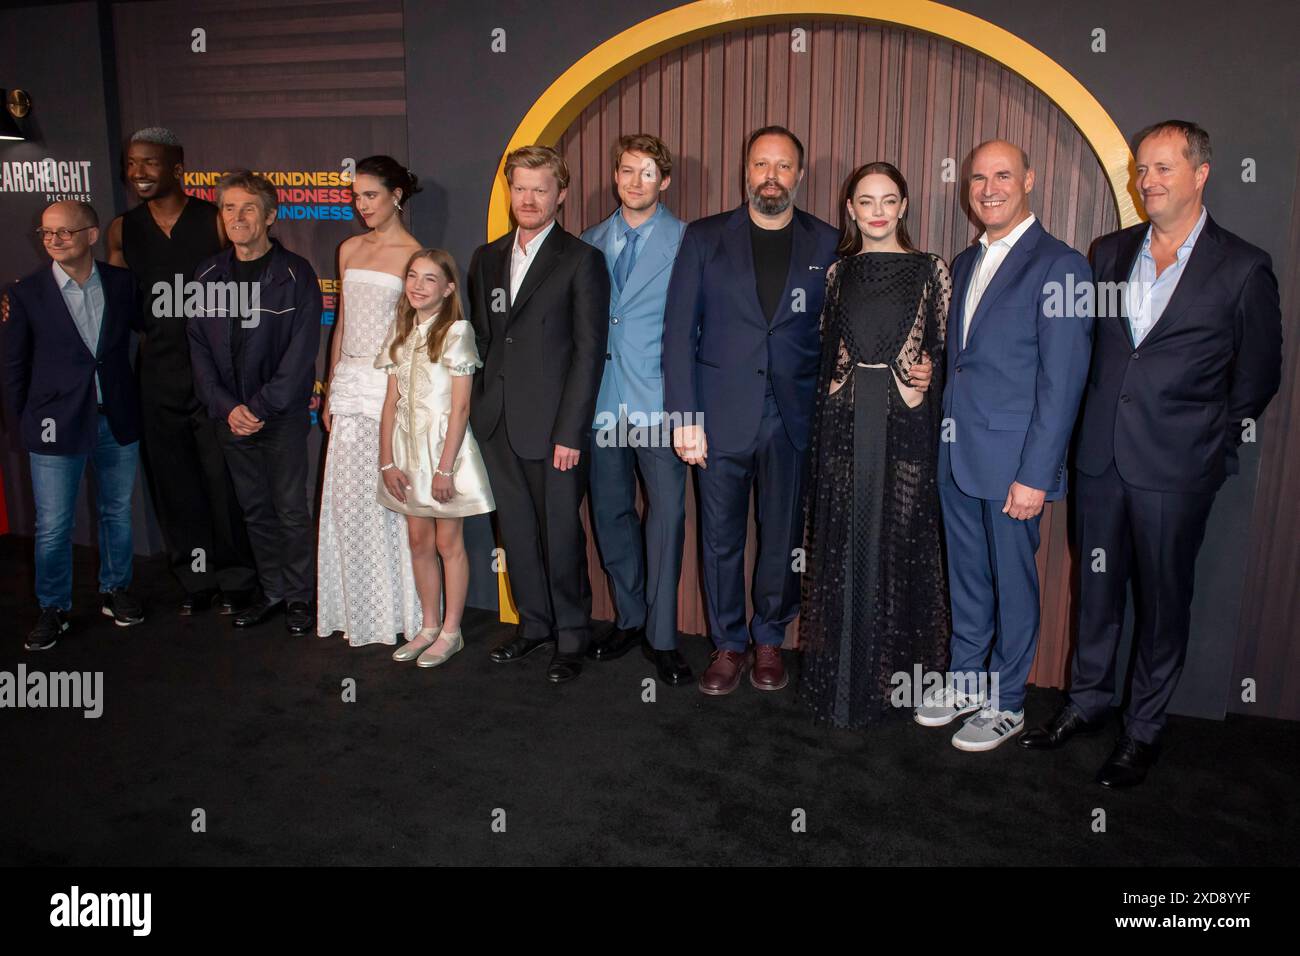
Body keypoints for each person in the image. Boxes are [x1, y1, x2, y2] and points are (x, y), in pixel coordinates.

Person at [1021, 121, 1283, 787]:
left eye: (1164, 168)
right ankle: (1087, 702)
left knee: (1163, 605)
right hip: (1102, 459)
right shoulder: (1108, 251)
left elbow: (1257, 376)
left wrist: (1211, 447)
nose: (1149, 181)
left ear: (1200, 175)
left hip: (1177, 469)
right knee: (1096, 590)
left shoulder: (1244, 266)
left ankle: (1143, 729)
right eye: (1142, 169)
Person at [913, 140, 1093, 750]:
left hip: (1015, 465)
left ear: (1030, 180)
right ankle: (965, 681)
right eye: (978, 178)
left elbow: (1062, 382)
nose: (988, 189)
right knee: (967, 576)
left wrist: (1037, 473)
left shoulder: (1059, 265)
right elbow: (964, 363)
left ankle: (1008, 701)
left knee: (1013, 583)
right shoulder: (964, 263)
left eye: (1003, 176)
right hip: (956, 454)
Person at [661, 126, 840, 696]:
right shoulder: (705, 236)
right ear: (746, 171)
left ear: (800, 176)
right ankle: (729, 643)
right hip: (718, 418)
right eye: (762, 164)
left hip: (793, 419)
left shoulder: (828, 242)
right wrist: (684, 419)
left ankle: (769, 639)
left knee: (783, 535)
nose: (771, 176)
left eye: (783, 166)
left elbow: (842, 334)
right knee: (720, 538)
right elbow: (676, 333)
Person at [799, 162, 951, 728]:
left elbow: (941, 349)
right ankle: (844, 683)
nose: (879, 211)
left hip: (904, 420)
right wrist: (841, 382)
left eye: (889, 200)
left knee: (897, 543)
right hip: (844, 420)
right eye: (867, 201)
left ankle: (892, 683)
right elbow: (828, 346)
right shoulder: (839, 273)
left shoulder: (930, 269)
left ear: (905, 206)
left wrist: (927, 374)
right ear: (851, 209)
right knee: (844, 543)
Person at [466, 145, 609, 684]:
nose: (528, 199)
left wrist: (571, 430)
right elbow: (482, 339)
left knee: (560, 535)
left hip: (555, 432)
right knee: (517, 534)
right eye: (519, 188)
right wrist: (480, 411)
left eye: (540, 189)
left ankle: (572, 635)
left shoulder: (581, 260)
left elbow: (589, 351)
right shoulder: (486, 258)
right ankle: (533, 626)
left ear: (561, 194)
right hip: (498, 425)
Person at [106, 127, 256, 616]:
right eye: (132, 163)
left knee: (223, 482)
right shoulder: (121, 230)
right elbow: (110, 297)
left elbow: (248, 289)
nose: (138, 173)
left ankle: (236, 580)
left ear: (177, 167)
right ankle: (197, 582)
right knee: (174, 486)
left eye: (150, 163)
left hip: (213, 375)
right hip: (156, 373)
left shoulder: (214, 221)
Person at [2, 201, 143, 649]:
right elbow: (12, 365)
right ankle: (53, 607)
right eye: (47, 233)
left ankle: (115, 590)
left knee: (116, 513)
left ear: (92, 235)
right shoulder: (25, 294)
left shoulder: (123, 284)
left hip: (115, 418)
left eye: (64, 232)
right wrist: (21, 424)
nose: (55, 241)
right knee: (53, 524)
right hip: (52, 425)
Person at [187, 170, 321, 635]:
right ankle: (273, 592)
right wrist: (227, 408)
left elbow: (301, 356)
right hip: (230, 418)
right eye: (229, 208)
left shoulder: (295, 274)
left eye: (248, 208)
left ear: (269, 216)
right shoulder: (207, 274)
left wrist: (259, 408)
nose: (237, 217)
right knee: (255, 510)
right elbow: (199, 351)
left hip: (280, 417)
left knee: (288, 508)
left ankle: (301, 597)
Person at [580, 134, 691, 686]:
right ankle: (630, 617)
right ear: (616, 175)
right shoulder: (589, 241)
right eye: (627, 171)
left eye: (648, 173)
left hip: (659, 403)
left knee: (667, 518)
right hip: (602, 400)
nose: (635, 182)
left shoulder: (688, 241)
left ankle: (664, 638)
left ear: (664, 181)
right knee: (611, 514)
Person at [316, 156, 423, 646]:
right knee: (347, 502)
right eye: (356, 197)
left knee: (389, 500)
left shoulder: (414, 255)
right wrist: (330, 388)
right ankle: (355, 609)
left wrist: (398, 394)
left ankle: (398, 613)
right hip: (348, 384)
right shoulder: (349, 248)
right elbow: (340, 321)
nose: (362, 206)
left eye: (371, 195)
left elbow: (412, 337)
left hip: (387, 387)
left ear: (396, 194)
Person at [377, 249, 495, 666]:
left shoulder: (457, 332)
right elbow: (391, 404)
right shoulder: (402, 333)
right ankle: (428, 626)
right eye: (412, 276)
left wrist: (446, 469)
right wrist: (387, 462)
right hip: (407, 454)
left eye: (430, 279)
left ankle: (451, 631)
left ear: (447, 289)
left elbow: (461, 408)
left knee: (449, 542)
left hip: (445, 453)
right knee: (417, 540)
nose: (417, 286)